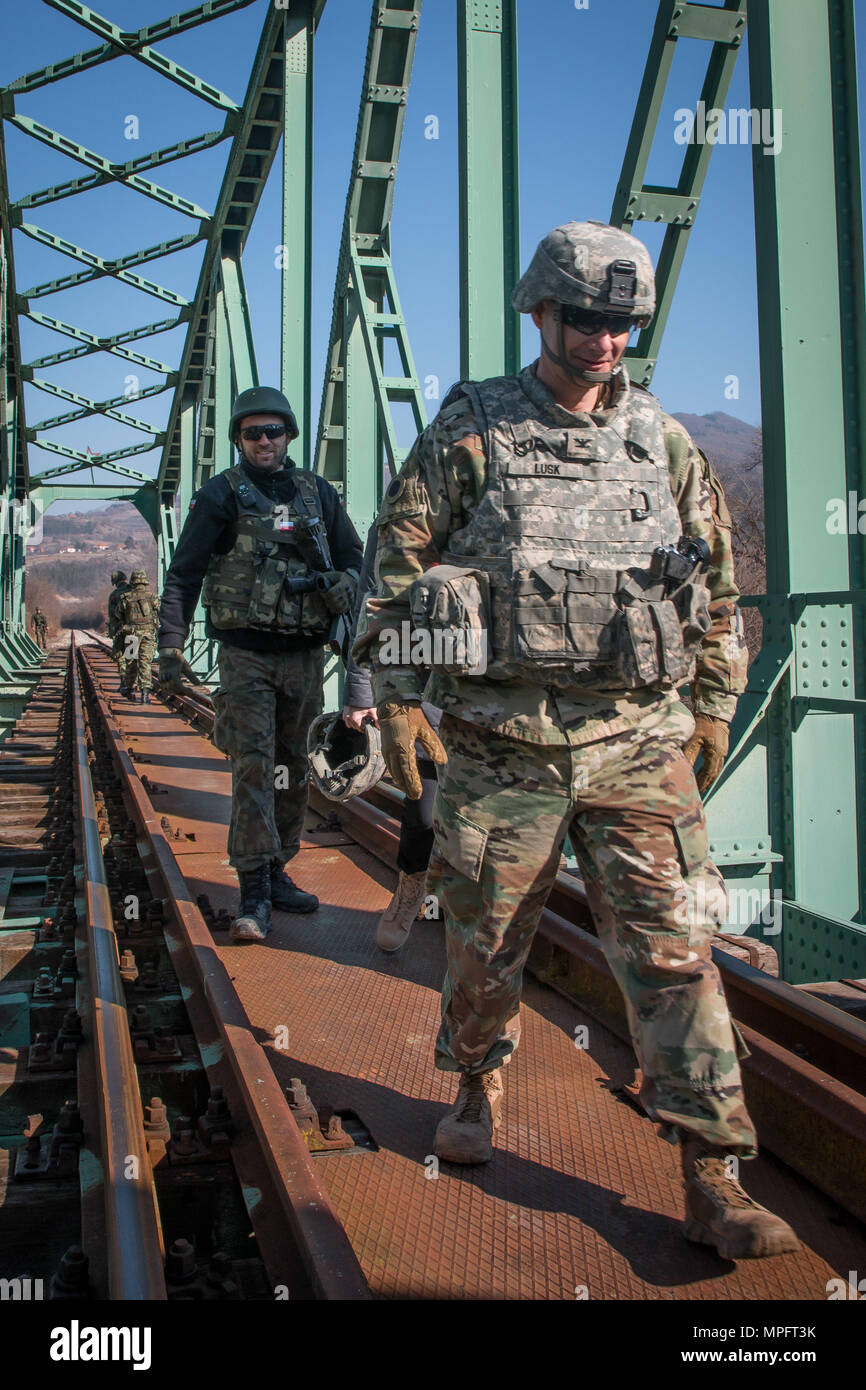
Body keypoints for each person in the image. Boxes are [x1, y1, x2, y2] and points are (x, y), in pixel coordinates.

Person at [356, 221, 799, 1260]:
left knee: (677, 951)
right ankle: (474, 1082)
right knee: (483, 943)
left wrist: (711, 704)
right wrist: (398, 698)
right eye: (586, 318)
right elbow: (395, 560)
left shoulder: (663, 440)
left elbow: (715, 583)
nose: (604, 339)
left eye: (621, 322)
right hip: (504, 740)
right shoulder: (472, 428)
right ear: (539, 311)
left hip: (635, 740)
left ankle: (710, 1173)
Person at [157, 386, 363, 943]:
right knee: (254, 765)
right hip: (245, 656)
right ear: (239, 440)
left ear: (289, 436)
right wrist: (171, 646)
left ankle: (277, 870)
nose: (265, 441)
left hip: (304, 657)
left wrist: (340, 583)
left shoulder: (317, 495)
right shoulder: (220, 495)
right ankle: (252, 888)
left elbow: (355, 559)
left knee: (295, 766)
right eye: (253, 433)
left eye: (274, 431)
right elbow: (184, 575)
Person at [342, 523, 441, 952]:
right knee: (423, 812)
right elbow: (374, 606)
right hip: (423, 693)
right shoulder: (402, 521)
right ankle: (411, 887)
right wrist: (362, 693)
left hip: (502, 699)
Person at [117, 570, 159, 703]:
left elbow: (118, 614)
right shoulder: (153, 597)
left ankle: (129, 689)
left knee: (131, 661)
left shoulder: (125, 597)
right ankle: (145, 694)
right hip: (148, 634)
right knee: (145, 663)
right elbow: (161, 612)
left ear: (132, 582)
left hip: (131, 634)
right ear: (145, 581)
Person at [107, 570, 130, 691]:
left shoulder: (114, 595)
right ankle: (135, 684)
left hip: (120, 630)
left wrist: (112, 632)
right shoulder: (133, 591)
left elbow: (112, 616)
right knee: (133, 656)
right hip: (135, 630)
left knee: (121, 656)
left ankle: (123, 683)